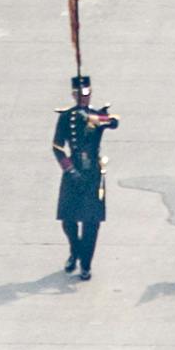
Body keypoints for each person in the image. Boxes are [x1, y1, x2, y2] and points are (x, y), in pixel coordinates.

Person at [53, 79, 118, 280]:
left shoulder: (97, 115)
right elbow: (57, 146)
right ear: (74, 95)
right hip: (74, 170)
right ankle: (75, 250)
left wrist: (100, 118)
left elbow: (114, 122)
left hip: (93, 172)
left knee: (92, 222)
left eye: (87, 93)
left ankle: (86, 263)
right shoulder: (66, 117)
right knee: (68, 220)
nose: (84, 97)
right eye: (80, 94)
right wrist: (69, 169)